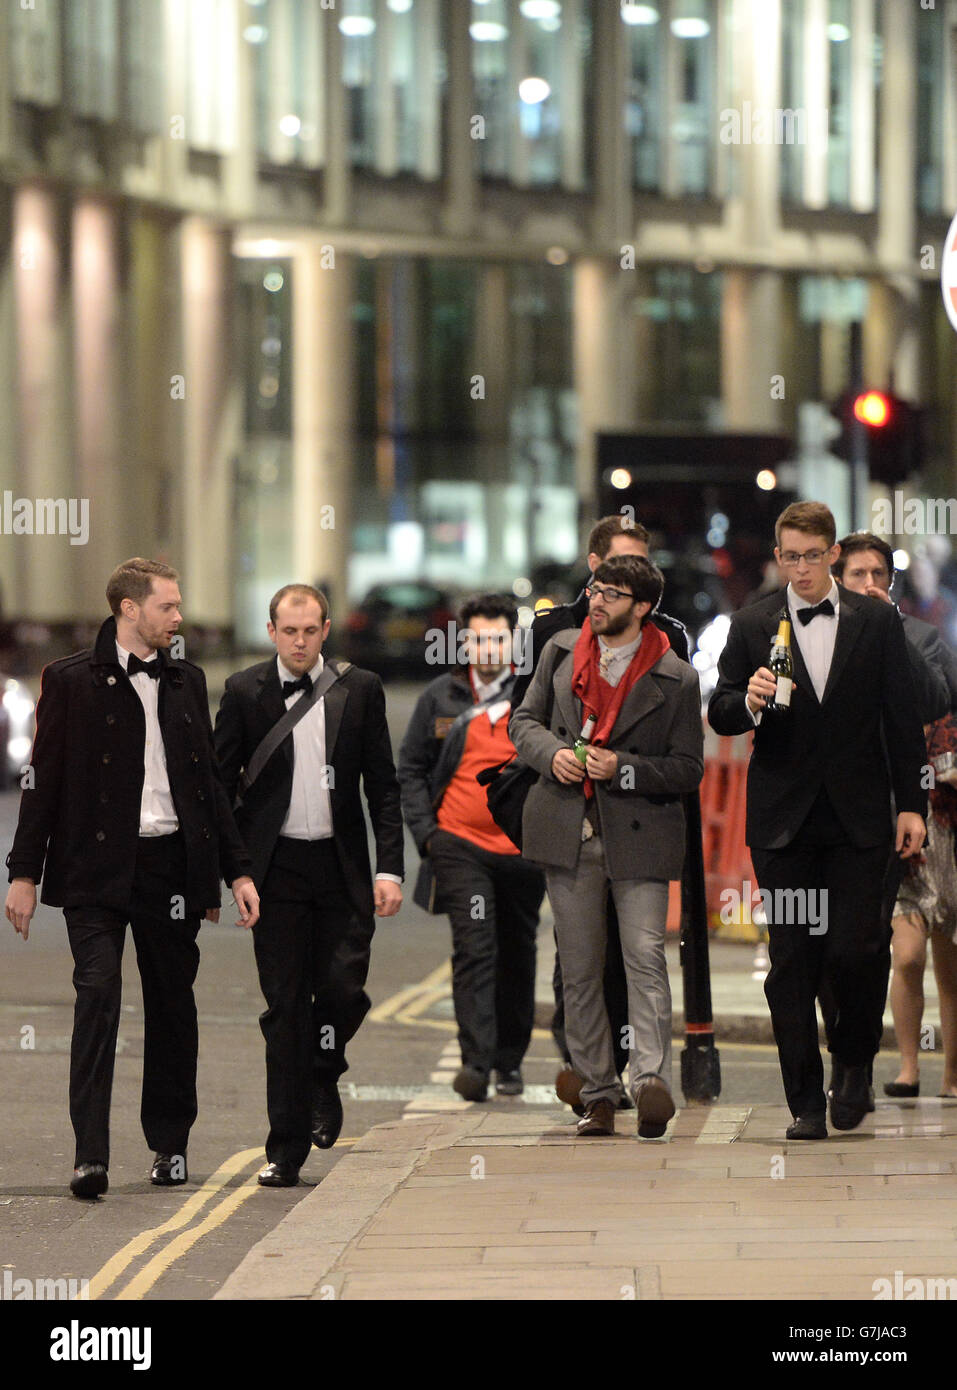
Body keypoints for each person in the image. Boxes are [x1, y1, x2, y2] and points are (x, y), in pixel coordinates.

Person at [4, 558, 259, 1199]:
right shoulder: (69, 681)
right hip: (95, 869)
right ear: (129, 609)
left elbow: (209, 789)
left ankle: (169, 1146)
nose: (179, 618)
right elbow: (43, 784)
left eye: (177, 606)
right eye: (168, 607)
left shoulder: (188, 681)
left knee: (173, 1005)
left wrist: (236, 872)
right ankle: (90, 1155)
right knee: (97, 998)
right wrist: (23, 874)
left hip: (171, 867)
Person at [708, 502, 927, 1140]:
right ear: (778, 557)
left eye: (811, 555)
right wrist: (744, 702)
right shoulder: (751, 624)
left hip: (862, 820)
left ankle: (853, 1061)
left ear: (833, 554)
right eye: (789, 556)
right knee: (793, 961)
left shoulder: (877, 621)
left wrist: (910, 802)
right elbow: (720, 709)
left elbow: (901, 716)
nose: (800, 568)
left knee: (859, 949)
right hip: (786, 825)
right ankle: (804, 1100)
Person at [214, 584, 403, 1187]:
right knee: (286, 1008)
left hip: (341, 867)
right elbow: (221, 794)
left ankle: (324, 1069)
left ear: (326, 631)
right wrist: (235, 871)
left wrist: (389, 868)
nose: (299, 642)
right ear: (271, 631)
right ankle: (285, 1148)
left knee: (343, 991)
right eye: (288, 631)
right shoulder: (244, 692)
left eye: (310, 630)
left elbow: (384, 786)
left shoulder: (361, 689)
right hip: (276, 874)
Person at [511, 554, 704, 1138]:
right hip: (567, 831)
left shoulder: (676, 677)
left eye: (613, 595)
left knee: (644, 957)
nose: (596, 601)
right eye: (595, 589)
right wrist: (555, 757)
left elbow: (687, 768)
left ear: (643, 608)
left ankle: (649, 1082)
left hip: (639, 836)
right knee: (579, 968)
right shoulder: (560, 651)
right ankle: (597, 1091)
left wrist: (623, 768)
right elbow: (524, 723)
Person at [398, 594, 545, 1102]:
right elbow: (412, 770)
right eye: (478, 637)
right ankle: (476, 1064)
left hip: (523, 851)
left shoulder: (534, 695)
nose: (487, 647)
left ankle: (509, 1063)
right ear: (464, 641)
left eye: (497, 638)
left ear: (513, 642)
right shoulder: (440, 697)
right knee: (475, 948)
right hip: (459, 847)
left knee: (517, 953)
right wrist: (428, 836)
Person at [831, 533, 957, 1099]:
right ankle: (894, 1064)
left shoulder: (921, 638)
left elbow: (932, 699)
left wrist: (891, 631)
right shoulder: (820, 636)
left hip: (926, 818)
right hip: (859, 818)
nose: (868, 584)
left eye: (877, 574)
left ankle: (949, 1071)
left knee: (945, 951)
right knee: (889, 952)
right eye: (856, 574)